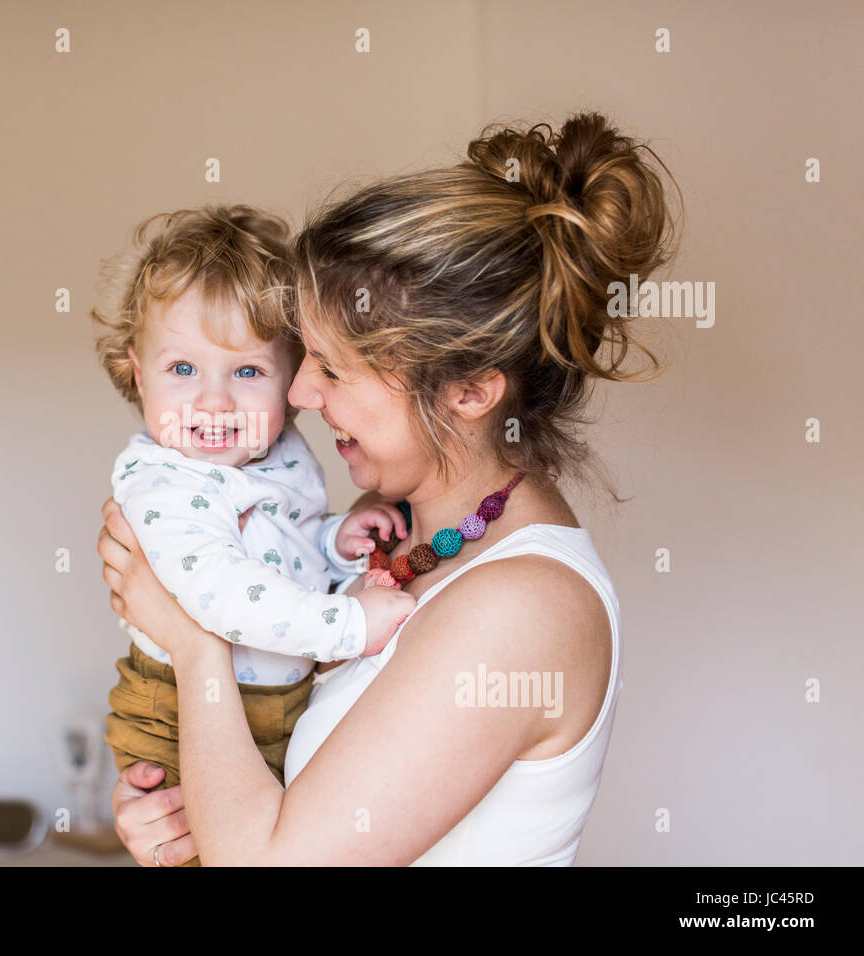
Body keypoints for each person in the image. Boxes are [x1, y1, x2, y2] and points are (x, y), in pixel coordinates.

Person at [97, 113, 679, 865]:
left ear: (470, 392)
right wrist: (182, 808)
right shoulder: (394, 536)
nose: (300, 394)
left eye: (334, 370)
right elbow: (273, 803)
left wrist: (191, 641)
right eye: (304, 356)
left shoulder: (521, 610)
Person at [89, 206, 417, 840]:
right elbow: (222, 591)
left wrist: (336, 541)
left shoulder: (278, 452)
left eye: (247, 372)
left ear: (291, 377)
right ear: (136, 370)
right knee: (191, 838)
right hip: (176, 713)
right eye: (182, 369)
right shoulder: (165, 480)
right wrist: (345, 623)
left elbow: (281, 549)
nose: (214, 401)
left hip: (266, 705)